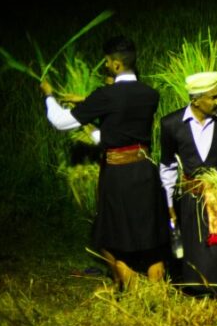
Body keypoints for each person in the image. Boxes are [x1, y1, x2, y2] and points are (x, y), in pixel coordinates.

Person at [40, 36, 168, 289]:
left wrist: (49, 95)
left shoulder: (106, 95)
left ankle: (131, 292)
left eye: (108, 62)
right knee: (149, 234)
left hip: (118, 173)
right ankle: (158, 295)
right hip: (144, 170)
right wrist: (88, 102)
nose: (106, 67)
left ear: (117, 65)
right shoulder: (150, 94)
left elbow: (60, 122)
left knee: (111, 236)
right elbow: (121, 116)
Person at [159, 72, 217, 295]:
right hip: (192, 199)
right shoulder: (171, 124)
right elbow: (168, 166)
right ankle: (200, 298)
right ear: (196, 100)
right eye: (213, 97)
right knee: (197, 249)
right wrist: (169, 204)